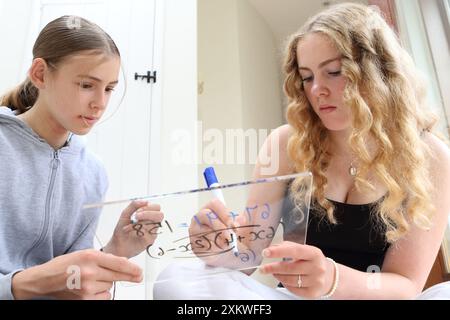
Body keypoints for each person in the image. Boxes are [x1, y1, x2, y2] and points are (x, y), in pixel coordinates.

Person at [154, 3, 450, 299]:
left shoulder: (429, 155)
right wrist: (218, 248)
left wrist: (332, 278)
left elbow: (406, 284)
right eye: (307, 77)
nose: (317, 89)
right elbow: (247, 256)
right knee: (175, 279)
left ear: (376, 72)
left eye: (333, 72)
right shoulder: (285, 144)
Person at [0, 16, 163, 300]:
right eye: (87, 85)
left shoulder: (93, 173)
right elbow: (47, 280)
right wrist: (21, 285)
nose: (100, 103)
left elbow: (67, 280)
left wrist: (114, 250)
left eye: (109, 88)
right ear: (40, 74)